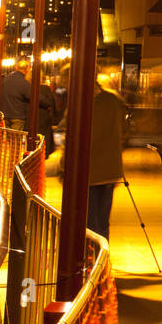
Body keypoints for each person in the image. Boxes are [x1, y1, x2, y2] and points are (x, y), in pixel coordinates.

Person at [61, 73, 127, 240]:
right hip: (110, 170)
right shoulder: (114, 100)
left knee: (89, 221)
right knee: (103, 220)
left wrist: (64, 164)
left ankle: (90, 257)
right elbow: (124, 131)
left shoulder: (81, 103)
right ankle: (102, 256)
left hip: (88, 171)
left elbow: (74, 137)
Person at [0, 59, 33, 131]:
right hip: (17, 116)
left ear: (16, 67)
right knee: (16, 139)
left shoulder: (6, 79)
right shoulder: (23, 82)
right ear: (27, 69)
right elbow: (31, 96)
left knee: (7, 138)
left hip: (4, 114)